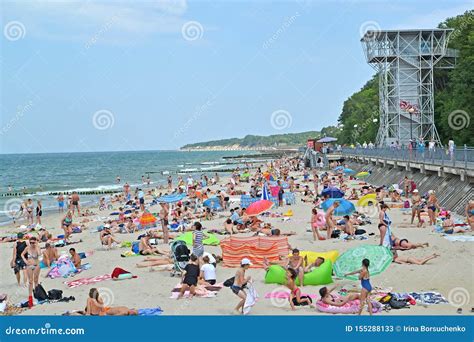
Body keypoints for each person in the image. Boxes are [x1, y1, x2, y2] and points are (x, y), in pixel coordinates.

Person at [21, 236, 41, 308]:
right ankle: (30, 296)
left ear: (36, 242)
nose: (32, 244)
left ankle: (36, 294)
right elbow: (22, 254)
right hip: (29, 266)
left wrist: (36, 246)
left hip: (36, 265)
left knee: (36, 280)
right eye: (31, 242)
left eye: (33, 242)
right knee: (30, 281)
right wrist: (25, 261)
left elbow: (39, 254)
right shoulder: (27, 248)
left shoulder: (37, 247)